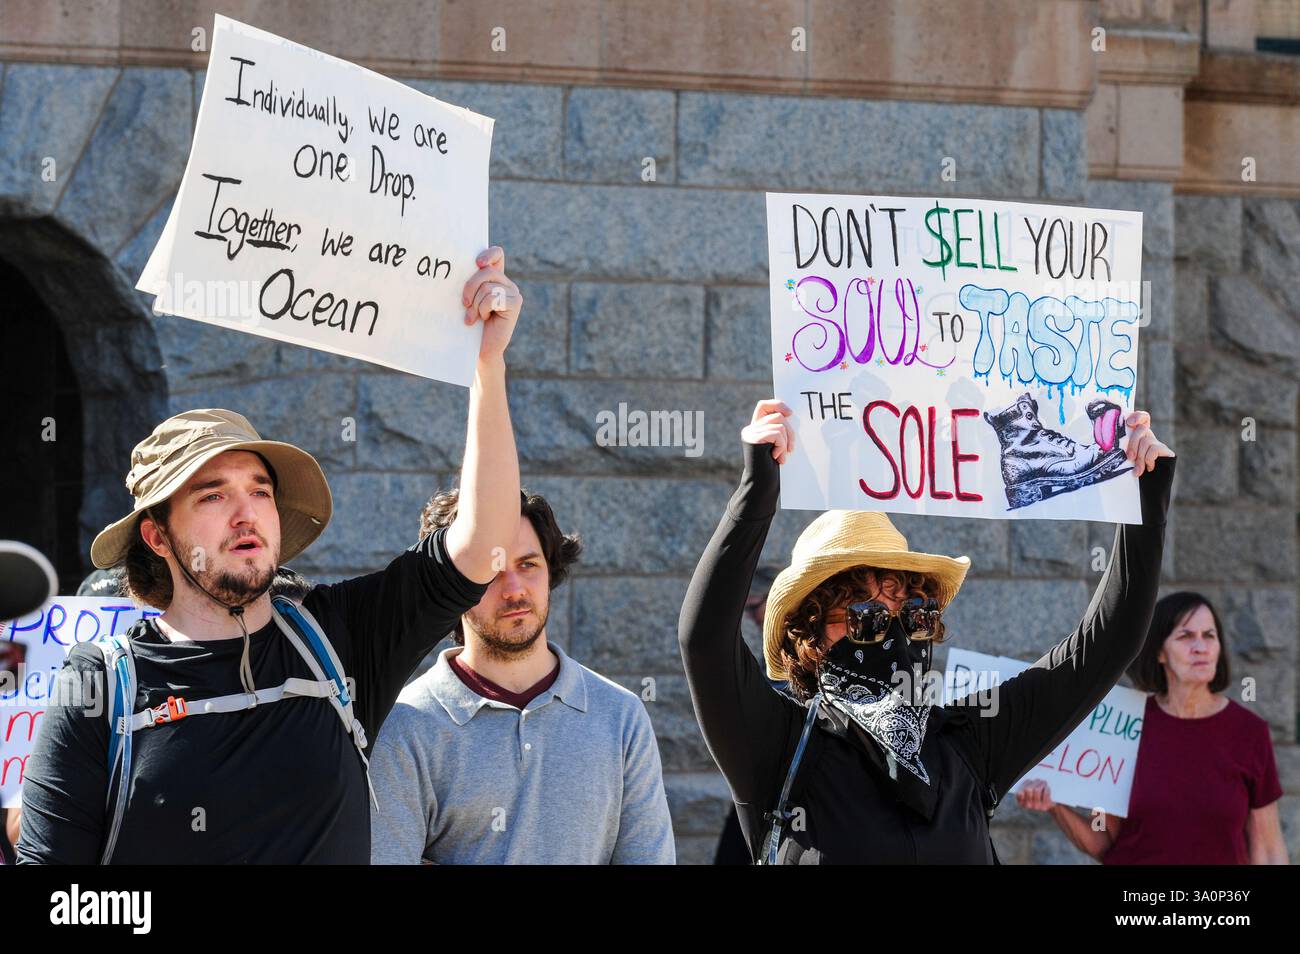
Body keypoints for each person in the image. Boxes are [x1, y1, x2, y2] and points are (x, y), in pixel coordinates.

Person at [18, 246, 524, 864]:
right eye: (213, 495)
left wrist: (488, 367)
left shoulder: (339, 639)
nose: (247, 511)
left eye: (260, 490)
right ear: (157, 537)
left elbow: (483, 545)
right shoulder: (102, 688)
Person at [679, 398, 1176, 864]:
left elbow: (1107, 645)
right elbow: (705, 641)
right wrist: (756, 492)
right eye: (867, 618)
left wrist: (1141, 500)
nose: (897, 634)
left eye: (913, 615)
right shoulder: (778, 745)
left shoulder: (969, 744)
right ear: (812, 637)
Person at [368, 488, 675, 864]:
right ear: (450, 585)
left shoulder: (621, 716)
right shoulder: (404, 726)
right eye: (491, 569)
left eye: (528, 564)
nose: (513, 590)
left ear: (551, 572)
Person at [1017, 592, 1289, 864]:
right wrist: (1055, 807)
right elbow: (1104, 842)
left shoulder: (1249, 733)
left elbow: (1268, 850)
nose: (1200, 646)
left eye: (1209, 635)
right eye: (1185, 636)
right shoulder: (1125, 725)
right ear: (1159, 652)